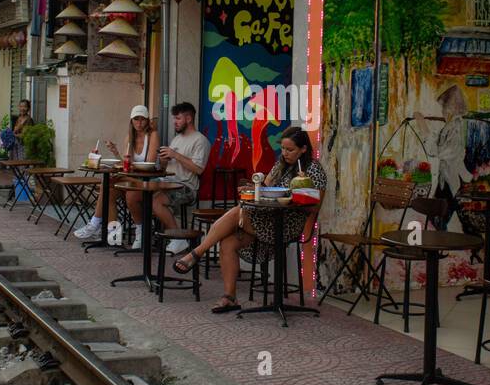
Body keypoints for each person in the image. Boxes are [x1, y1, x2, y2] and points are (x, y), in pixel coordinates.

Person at [173, 126, 326, 314]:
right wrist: (252, 189)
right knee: (228, 243)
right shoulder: (281, 165)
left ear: (303, 149)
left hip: (288, 223)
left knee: (239, 211)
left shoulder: (314, 170)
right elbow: (265, 188)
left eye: (290, 150)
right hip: (266, 218)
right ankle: (230, 298)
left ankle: (197, 253)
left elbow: (315, 207)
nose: (285, 153)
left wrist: (299, 196)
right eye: (283, 149)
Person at [73, 104, 158, 244]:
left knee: (118, 188)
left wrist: (126, 170)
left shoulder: (152, 136)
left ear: (148, 121)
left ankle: (96, 223)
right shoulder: (129, 138)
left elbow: (150, 164)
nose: (139, 122)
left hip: (148, 180)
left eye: (142, 119)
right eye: (136, 119)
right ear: (131, 121)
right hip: (132, 179)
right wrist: (116, 152)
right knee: (108, 189)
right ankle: (113, 235)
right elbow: (125, 163)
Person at [153, 102, 210, 253]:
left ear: (189, 119)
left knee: (156, 201)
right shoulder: (176, 139)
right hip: (168, 183)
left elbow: (198, 169)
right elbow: (168, 167)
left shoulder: (200, 140)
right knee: (137, 194)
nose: (174, 122)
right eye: (174, 118)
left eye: (178, 118)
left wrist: (175, 155)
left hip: (187, 188)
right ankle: (147, 236)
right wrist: (164, 160)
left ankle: (178, 239)